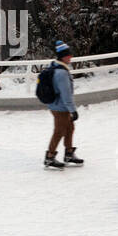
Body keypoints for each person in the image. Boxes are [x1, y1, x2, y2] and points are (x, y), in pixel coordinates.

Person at [42, 40, 83, 169]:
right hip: (60, 108)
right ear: (63, 56)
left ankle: (69, 153)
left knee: (70, 128)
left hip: (58, 105)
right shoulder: (62, 73)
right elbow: (66, 95)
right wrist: (73, 110)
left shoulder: (56, 66)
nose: (71, 57)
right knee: (59, 131)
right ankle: (50, 156)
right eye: (68, 55)